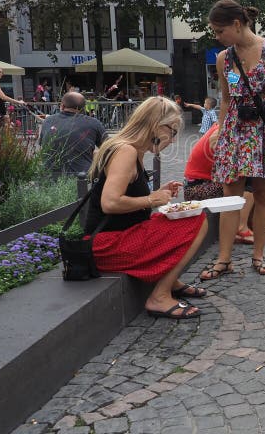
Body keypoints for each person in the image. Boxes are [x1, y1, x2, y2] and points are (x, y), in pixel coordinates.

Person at [200, 0, 265, 279]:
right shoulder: (224, 59)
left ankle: (258, 255)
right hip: (235, 130)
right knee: (230, 196)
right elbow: (225, 98)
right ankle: (224, 259)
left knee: (263, 195)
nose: (217, 37)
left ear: (236, 24)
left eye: (220, 31)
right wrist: (219, 131)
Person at [83, 96, 209, 319]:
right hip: (108, 245)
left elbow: (126, 197)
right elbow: (110, 203)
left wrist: (156, 195)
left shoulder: (133, 150)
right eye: (173, 132)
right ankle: (159, 297)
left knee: (181, 217)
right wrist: (152, 200)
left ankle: (171, 281)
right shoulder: (126, 151)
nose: (172, 139)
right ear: (157, 126)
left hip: (115, 237)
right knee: (197, 221)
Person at [184, 123, 256, 244]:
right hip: (198, 188)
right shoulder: (226, 133)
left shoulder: (223, 126)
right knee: (250, 180)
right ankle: (240, 228)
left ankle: (249, 224)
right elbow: (233, 171)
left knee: (252, 178)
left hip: (202, 184)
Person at [39, 91, 108, 177]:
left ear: (62, 106)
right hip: (82, 179)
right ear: (83, 109)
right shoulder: (93, 123)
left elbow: (43, 146)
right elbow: (109, 149)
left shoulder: (48, 121)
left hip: (49, 177)